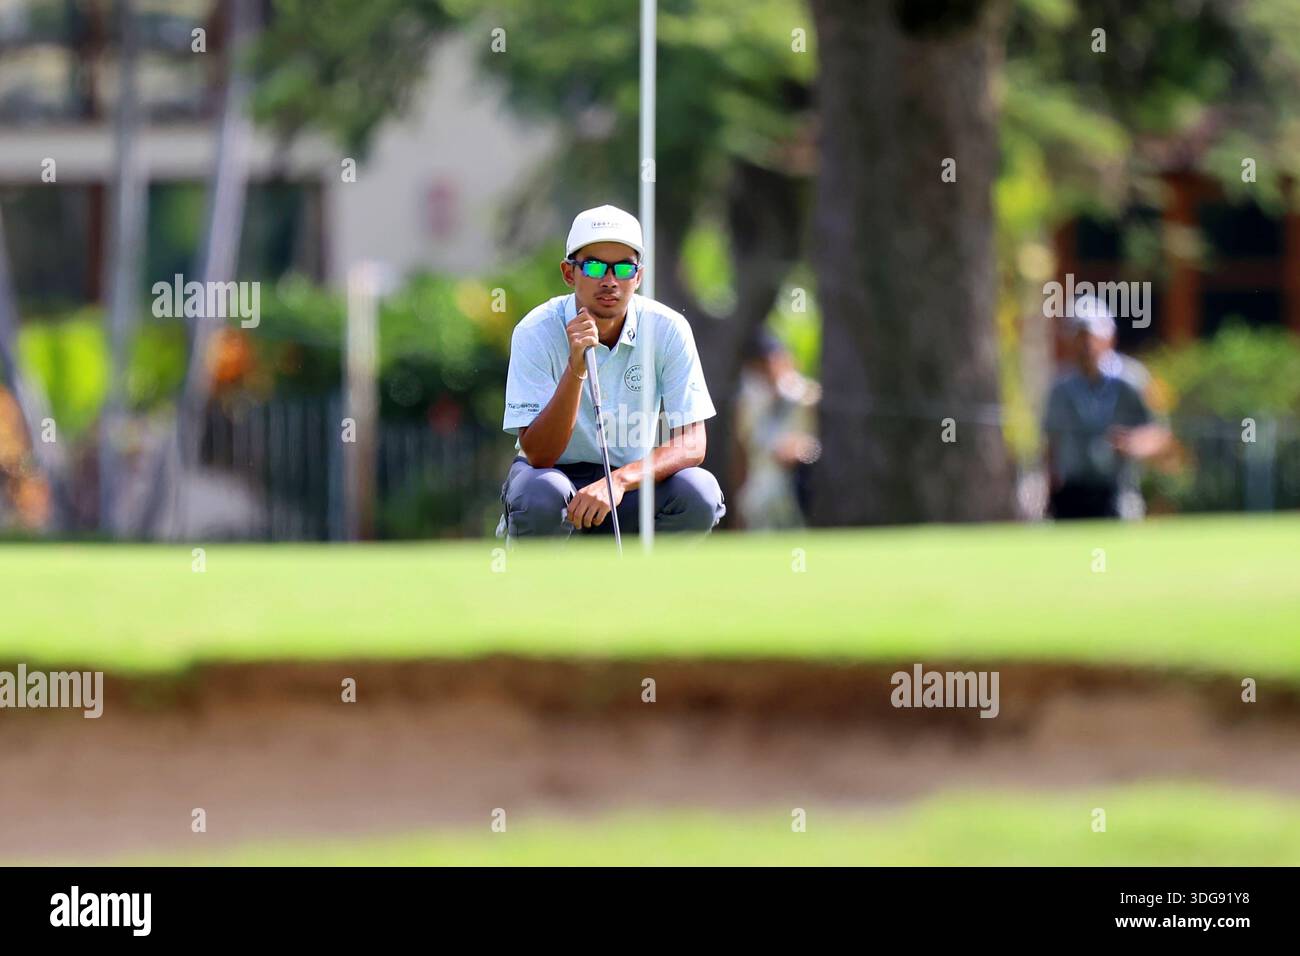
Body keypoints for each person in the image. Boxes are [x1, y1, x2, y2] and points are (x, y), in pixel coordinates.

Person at [496, 205, 725, 540]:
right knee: (542, 495)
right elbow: (539, 454)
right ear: (568, 273)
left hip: (627, 484)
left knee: (699, 490)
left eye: (623, 268)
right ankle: (543, 587)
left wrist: (618, 481)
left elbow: (692, 443)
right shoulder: (535, 330)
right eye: (593, 266)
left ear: (639, 276)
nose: (609, 281)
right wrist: (576, 368)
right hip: (553, 479)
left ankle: (646, 588)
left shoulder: (668, 329)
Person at [1042, 306, 1171, 520]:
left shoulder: (1133, 380)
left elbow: (1161, 433)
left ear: (1109, 338)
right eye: (1079, 337)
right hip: (1070, 493)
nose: (1086, 345)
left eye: (1091, 337)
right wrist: (1048, 487)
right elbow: (1050, 442)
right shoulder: (1060, 387)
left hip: (1118, 491)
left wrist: (1134, 444)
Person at [733, 329, 820, 529]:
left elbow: (817, 443)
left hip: (798, 483)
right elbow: (743, 451)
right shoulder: (749, 403)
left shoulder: (807, 395)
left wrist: (801, 450)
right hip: (760, 486)